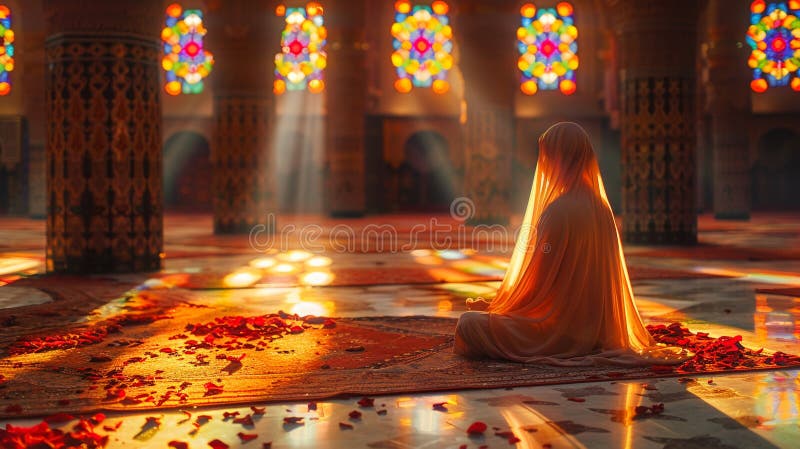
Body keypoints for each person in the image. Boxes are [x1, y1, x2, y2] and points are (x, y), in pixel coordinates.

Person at [454, 122, 690, 366]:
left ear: (559, 159)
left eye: (546, 157)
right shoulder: (602, 207)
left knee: (469, 324)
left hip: (561, 332)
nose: (543, 166)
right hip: (600, 332)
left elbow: (537, 287)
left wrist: (499, 307)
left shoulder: (558, 211)